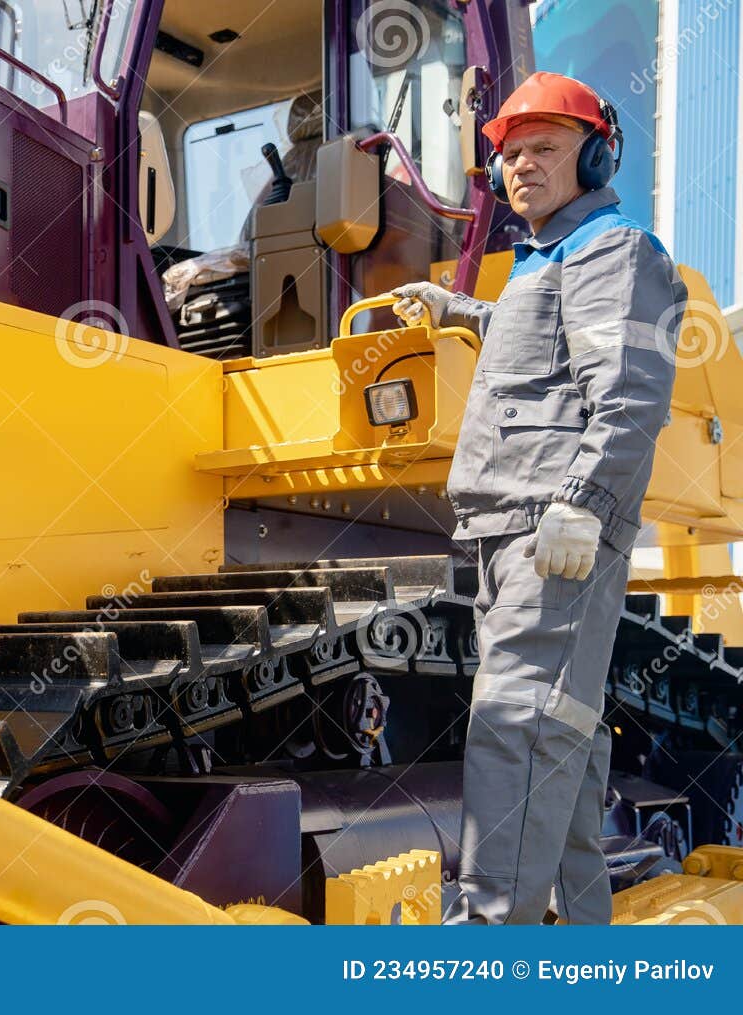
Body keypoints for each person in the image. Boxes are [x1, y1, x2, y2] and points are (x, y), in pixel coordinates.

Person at [390, 72, 686, 924]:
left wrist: (584, 503)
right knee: (564, 744)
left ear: (595, 155)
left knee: (516, 733)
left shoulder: (613, 250)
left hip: (548, 528)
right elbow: (541, 347)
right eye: (509, 155)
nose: (521, 165)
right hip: (508, 532)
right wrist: (458, 309)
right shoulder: (547, 263)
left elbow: (628, 394)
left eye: (545, 148)